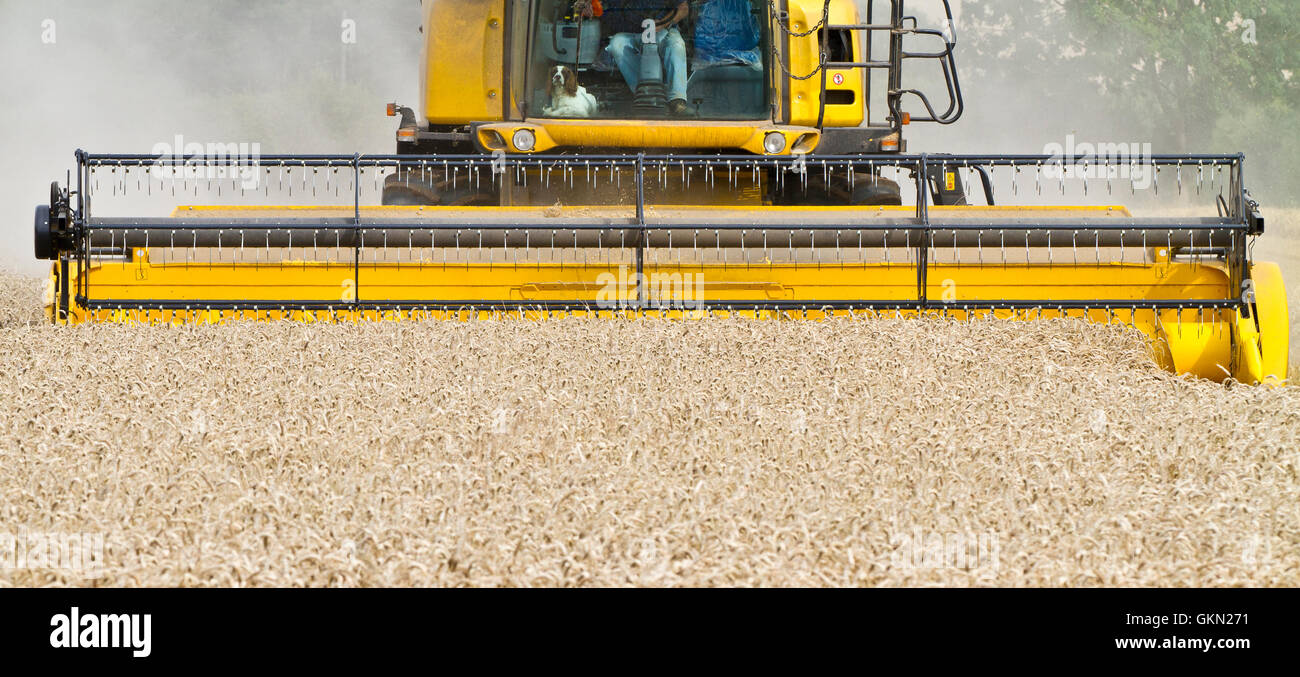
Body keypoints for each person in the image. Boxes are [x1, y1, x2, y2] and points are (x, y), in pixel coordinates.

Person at [574, 0, 695, 116]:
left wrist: (662, 23)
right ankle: (645, 96)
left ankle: (677, 101)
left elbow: (683, 8)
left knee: (676, 44)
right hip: (631, 34)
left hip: (663, 30)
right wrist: (587, 7)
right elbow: (596, 7)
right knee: (617, 44)